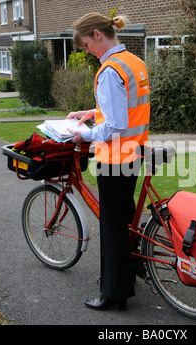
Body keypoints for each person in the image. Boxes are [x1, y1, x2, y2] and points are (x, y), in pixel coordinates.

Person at [66, 12, 150, 311]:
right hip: (134, 152)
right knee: (125, 219)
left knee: (113, 226)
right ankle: (129, 275)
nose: (87, 51)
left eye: (87, 44)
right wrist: (92, 112)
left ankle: (114, 294)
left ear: (98, 35)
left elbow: (114, 122)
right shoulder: (133, 61)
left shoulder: (110, 70)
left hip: (113, 157)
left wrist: (85, 134)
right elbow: (123, 107)